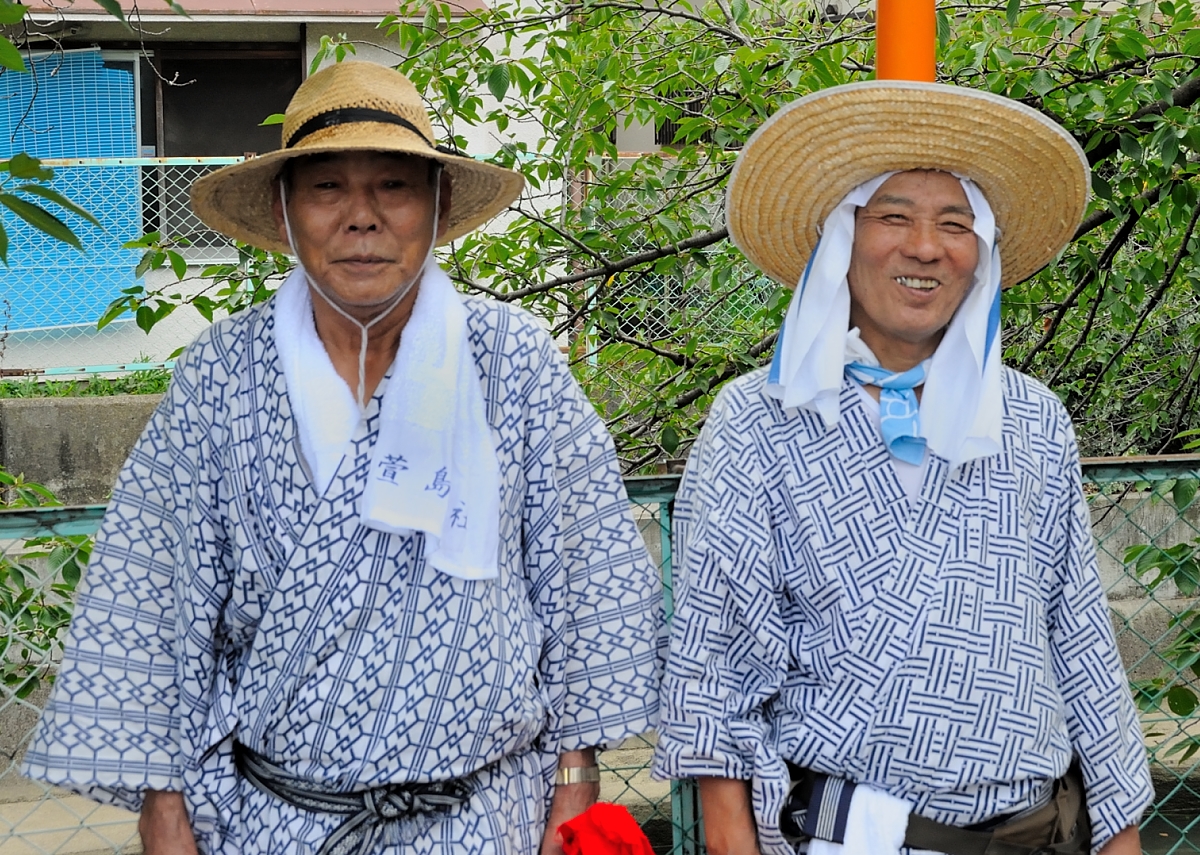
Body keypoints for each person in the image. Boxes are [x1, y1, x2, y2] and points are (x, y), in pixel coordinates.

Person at [22, 61, 662, 855]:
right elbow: (153, 597)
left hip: (485, 818)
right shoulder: (224, 373)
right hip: (272, 822)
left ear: (438, 206)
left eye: (393, 186)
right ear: (287, 212)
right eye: (327, 188)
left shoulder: (512, 360)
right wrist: (164, 804)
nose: (362, 217)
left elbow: (587, 574)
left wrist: (575, 781)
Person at [652, 81, 1153, 855]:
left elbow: (1078, 633)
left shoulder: (1033, 417)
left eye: (956, 224)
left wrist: (1120, 835)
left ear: (980, 252)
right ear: (841, 239)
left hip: (1042, 830)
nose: (926, 247)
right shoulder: (758, 419)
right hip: (857, 834)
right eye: (893, 217)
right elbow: (715, 659)